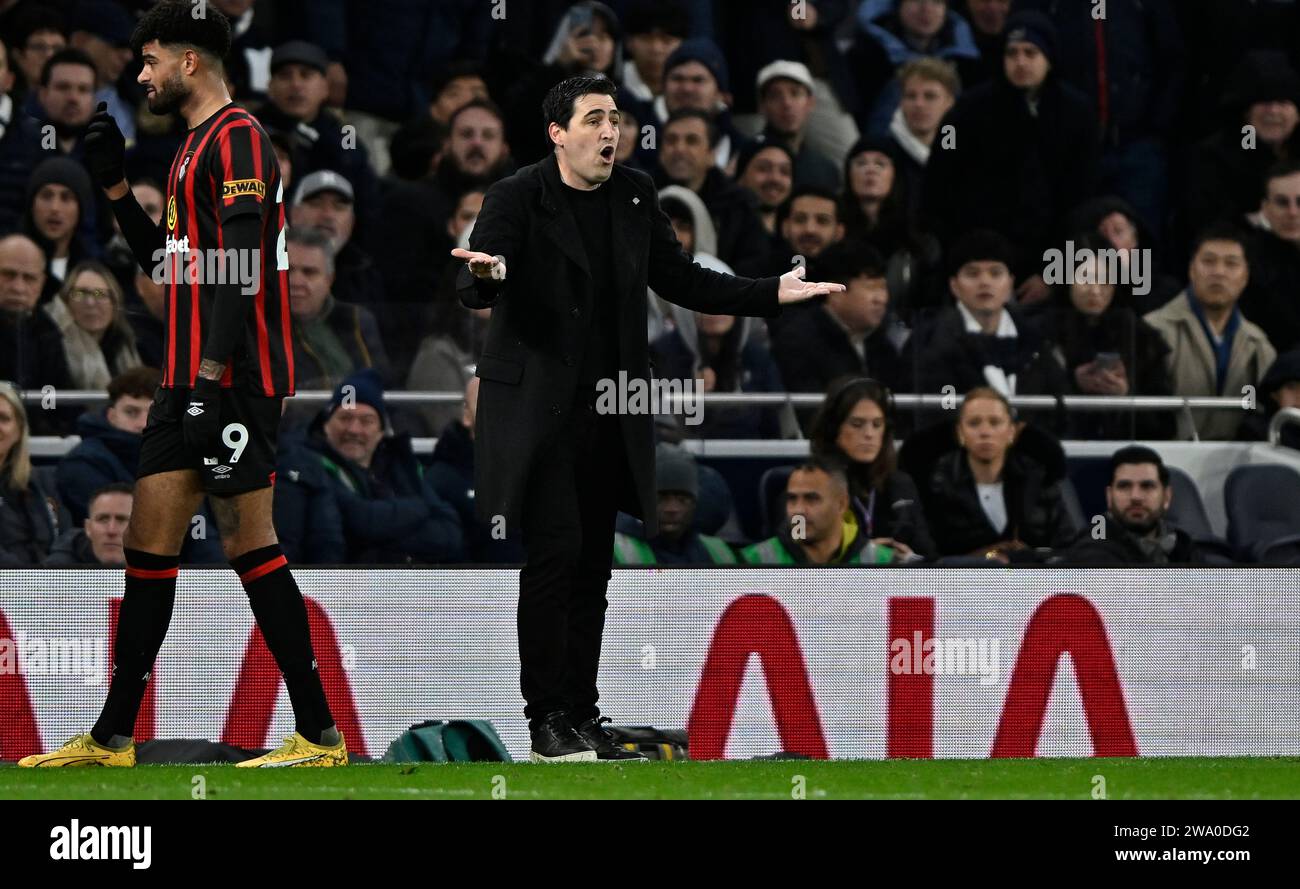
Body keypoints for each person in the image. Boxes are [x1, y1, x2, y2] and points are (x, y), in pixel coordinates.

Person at [452, 73, 843, 763]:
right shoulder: (517, 194)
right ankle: (547, 718)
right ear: (558, 132)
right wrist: (485, 276)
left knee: (593, 566)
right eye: (595, 118)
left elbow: (682, 277)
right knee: (556, 555)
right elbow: (479, 276)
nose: (611, 130)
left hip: (612, 409)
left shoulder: (634, 193)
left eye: (617, 118)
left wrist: (770, 293)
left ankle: (580, 712)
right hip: (537, 412)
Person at [22, 3, 345, 769]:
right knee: (148, 543)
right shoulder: (192, 148)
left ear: (189, 61)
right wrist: (109, 189)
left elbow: (234, 273)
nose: (140, 75)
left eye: (149, 60)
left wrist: (207, 381)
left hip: (231, 379)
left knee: (248, 541)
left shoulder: (237, 138)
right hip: (187, 377)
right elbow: (170, 268)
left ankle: (320, 734)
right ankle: (112, 737)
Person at [274, 370, 463, 565]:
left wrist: (378, 540)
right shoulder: (308, 463)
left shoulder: (399, 463)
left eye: (366, 421)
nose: (354, 430)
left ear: (381, 430)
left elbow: (450, 532)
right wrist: (421, 508)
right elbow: (361, 519)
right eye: (345, 418)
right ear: (325, 425)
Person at [903, 387, 1079, 561]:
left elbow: (1069, 548)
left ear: (1011, 432)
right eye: (974, 423)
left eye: (995, 422)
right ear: (960, 433)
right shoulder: (936, 486)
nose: (985, 432)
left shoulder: (1039, 482)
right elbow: (928, 558)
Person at [1030, 232, 1175, 440]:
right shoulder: (1040, 332)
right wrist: (1070, 383)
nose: (1096, 291)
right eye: (1085, 279)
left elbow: (1164, 423)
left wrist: (1126, 395)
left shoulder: (1139, 336)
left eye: (1105, 280)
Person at [1144, 224, 1277, 440]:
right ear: (1191, 270)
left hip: (1234, 463)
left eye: (1231, 264)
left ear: (1245, 277)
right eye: (1208, 261)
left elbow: (1260, 412)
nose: (1219, 272)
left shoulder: (1258, 345)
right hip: (1168, 459)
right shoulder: (1154, 329)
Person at [902, 229, 1064, 397]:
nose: (985, 282)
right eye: (973, 274)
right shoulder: (927, 339)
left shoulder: (1034, 340)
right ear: (954, 286)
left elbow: (1057, 407)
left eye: (995, 273)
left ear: (1010, 283)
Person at [772, 240, 905, 420]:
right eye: (871, 287)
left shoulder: (881, 343)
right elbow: (809, 415)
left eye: (883, 287)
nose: (881, 299)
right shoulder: (798, 342)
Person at [807, 376, 935, 560]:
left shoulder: (900, 485)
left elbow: (931, 557)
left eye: (877, 425)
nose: (869, 434)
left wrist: (912, 559)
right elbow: (797, 552)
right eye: (857, 424)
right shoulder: (807, 486)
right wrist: (862, 555)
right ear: (833, 429)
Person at [425, 376, 525, 565]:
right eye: (488, 399)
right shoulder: (442, 480)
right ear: (466, 415)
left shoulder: (544, 474)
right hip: (471, 590)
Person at [1056, 446, 1209, 565]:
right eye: (1124, 486)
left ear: (1166, 496)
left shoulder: (1182, 546)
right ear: (1109, 496)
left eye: (1147, 486)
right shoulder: (1094, 543)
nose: (1136, 497)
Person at [742, 457, 894, 565]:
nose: (798, 510)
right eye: (792, 498)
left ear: (841, 504)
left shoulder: (886, 563)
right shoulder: (750, 562)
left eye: (811, 499)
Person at [612, 444, 739, 565]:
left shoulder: (719, 552)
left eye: (683, 500)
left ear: (695, 503)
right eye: (660, 498)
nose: (672, 509)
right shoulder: (617, 550)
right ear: (641, 501)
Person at [43, 260, 142, 391]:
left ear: (114, 302)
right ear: (66, 302)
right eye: (79, 294)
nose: (90, 302)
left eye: (99, 294)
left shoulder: (128, 346)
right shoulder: (50, 348)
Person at [0, 381, 67, 566]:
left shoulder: (43, 481)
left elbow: (65, 538)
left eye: (4, 418)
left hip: (47, 586)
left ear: (19, 429)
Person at [754, 60, 840, 191]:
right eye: (775, 95)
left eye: (795, 93)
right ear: (762, 107)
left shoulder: (825, 170)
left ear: (810, 103)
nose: (787, 103)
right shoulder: (747, 161)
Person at [45, 482, 132, 567]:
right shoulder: (58, 572)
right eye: (102, 519)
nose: (111, 530)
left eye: (122, 520)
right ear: (88, 528)